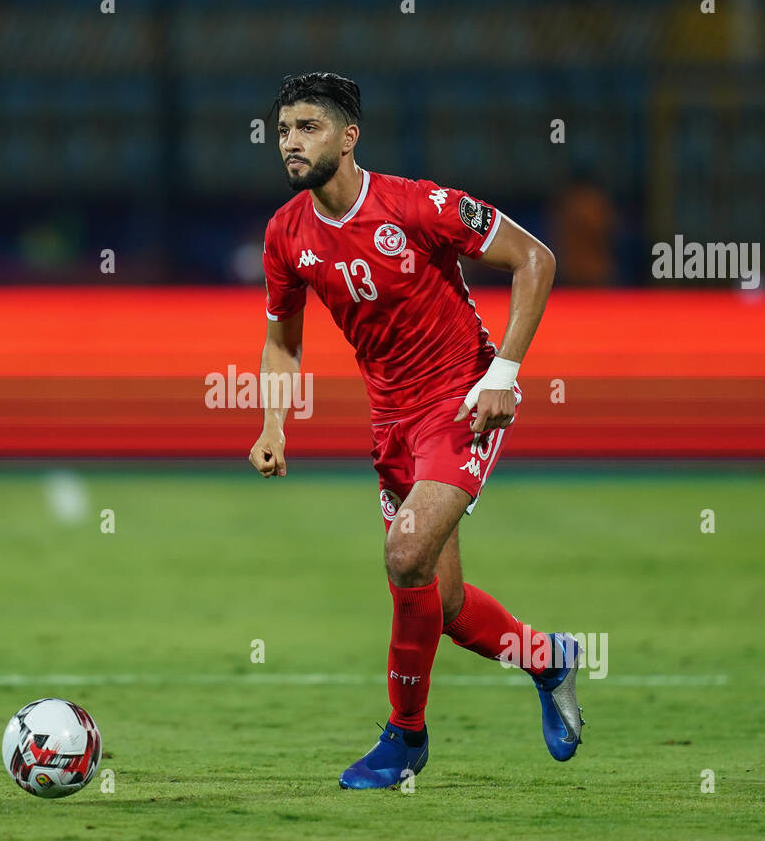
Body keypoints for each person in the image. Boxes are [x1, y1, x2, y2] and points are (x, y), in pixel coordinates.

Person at [248, 73, 583, 789]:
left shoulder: (419, 205)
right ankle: (548, 658)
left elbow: (535, 259)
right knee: (448, 605)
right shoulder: (286, 235)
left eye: (307, 128)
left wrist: (504, 375)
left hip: (462, 400)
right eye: (283, 131)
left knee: (404, 557)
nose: (291, 143)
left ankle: (404, 739)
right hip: (392, 422)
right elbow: (282, 339)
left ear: (348, 136)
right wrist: (273, 421)